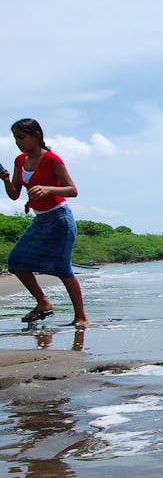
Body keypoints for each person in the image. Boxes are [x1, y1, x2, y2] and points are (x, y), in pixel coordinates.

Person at [0, 118, 88, 327]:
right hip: (40, 220)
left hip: (59, 220)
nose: (18, 142)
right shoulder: (19, 161)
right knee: (16, 262)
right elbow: (14, 195)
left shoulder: (51, 160)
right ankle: (43, 303)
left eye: (22, 137)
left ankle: (81, 317)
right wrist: (4, 179)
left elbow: (72, 190)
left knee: (63, 269)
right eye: (15, 138)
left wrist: (49, 188)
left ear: (36, 136)